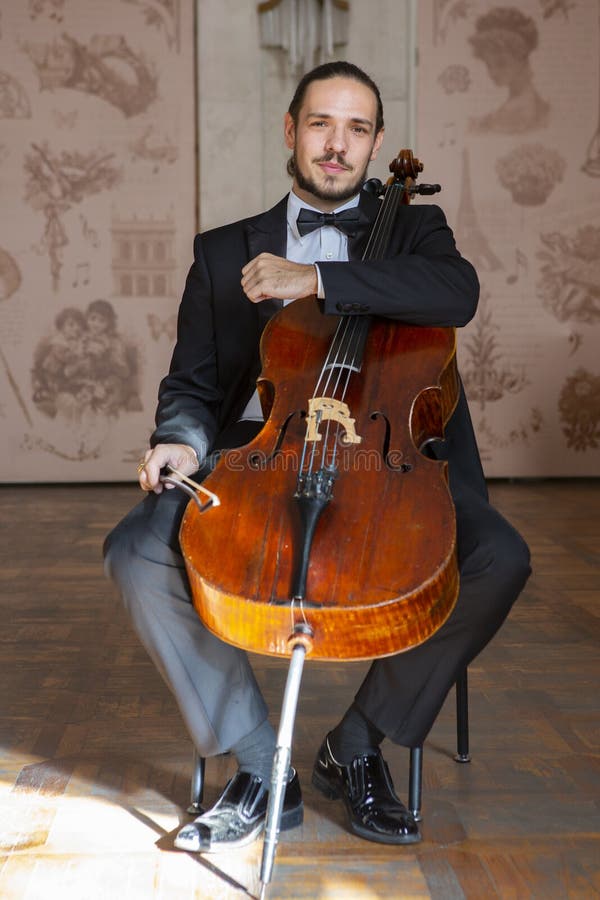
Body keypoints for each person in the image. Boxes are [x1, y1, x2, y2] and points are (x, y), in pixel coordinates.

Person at [104, 60, 531, 853]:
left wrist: (317, 277)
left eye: (357, 129)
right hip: (260, 459)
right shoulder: (222, 251)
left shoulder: (415, 233)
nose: (337, 145)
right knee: (134, 550)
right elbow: (194, 382)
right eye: (321, 124)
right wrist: (179, 439)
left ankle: (355, 744)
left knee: (497, 557)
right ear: (291, 131)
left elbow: (457, 293)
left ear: (375, 144)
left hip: (389, 465)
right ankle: (260, 763)